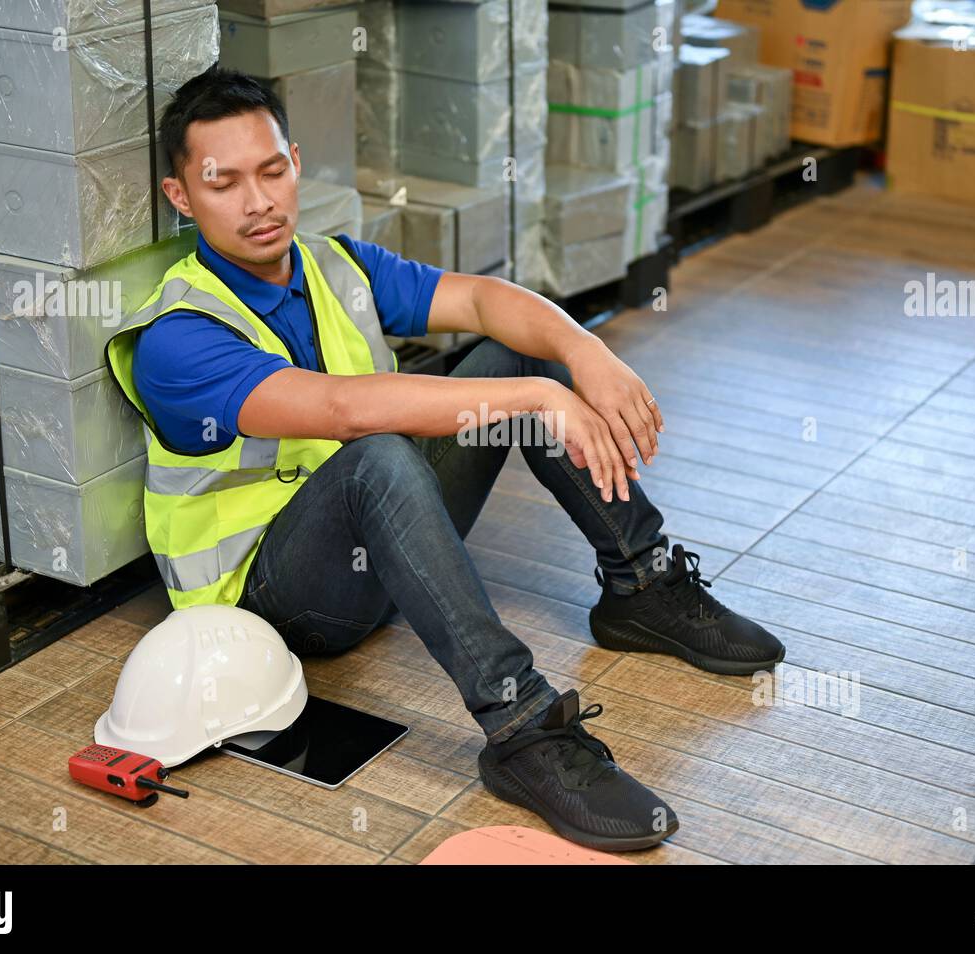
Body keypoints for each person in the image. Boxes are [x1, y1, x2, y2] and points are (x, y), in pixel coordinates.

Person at [105, 65, 785, 852]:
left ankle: (639, 586)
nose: (258, 201)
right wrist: (536, 403)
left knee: (521, 354)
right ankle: (523, 727)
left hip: (373, 546)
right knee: (386, 452)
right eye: (224, 184)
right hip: (272, 598)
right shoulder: (178, 337)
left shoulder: (332, 264)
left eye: (272, 170)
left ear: (294, 161)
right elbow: (342, 411)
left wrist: (581, 348)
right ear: (181, 197)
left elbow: (481, 301)